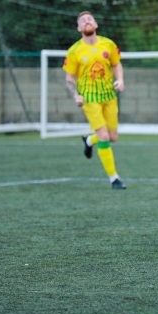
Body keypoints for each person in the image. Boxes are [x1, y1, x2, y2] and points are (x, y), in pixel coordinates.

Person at [64, 11, 127, 190]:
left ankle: (89, 141)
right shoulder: (74, 50)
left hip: (109, 96)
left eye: (89, 19)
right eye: (82, 21)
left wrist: (120, 79)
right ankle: (114, 178)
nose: (86, 22)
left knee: (113, 137)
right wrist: (76, 94)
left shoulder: (108, 44)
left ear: (96, 24)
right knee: (104, 136)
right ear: (79, 28)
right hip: (89, 98)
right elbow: (69, 78)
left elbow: (116, 64)